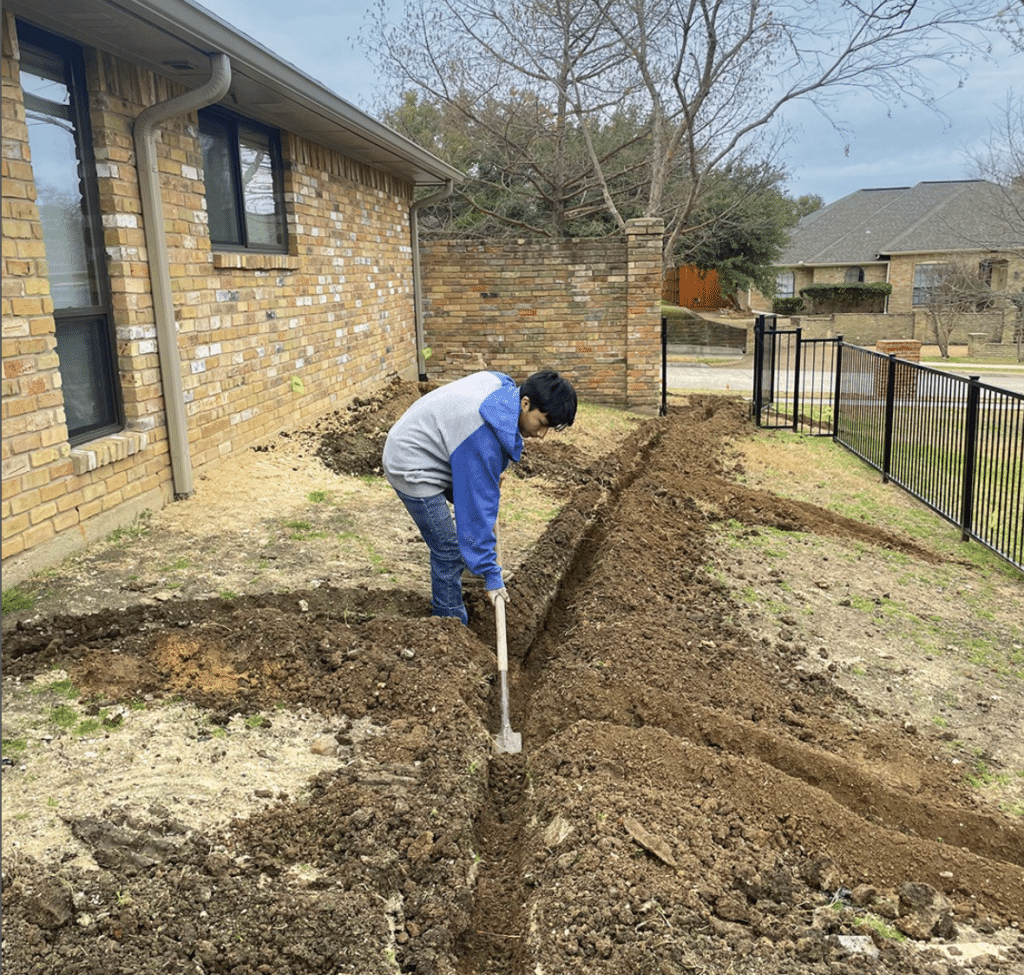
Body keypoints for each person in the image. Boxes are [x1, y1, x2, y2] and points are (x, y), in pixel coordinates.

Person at [382, 369, 578, 625]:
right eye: (541, 423)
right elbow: (475, 513)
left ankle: (471, 568)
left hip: (442, 446)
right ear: (525, 403)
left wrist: (485, 478)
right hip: (411, 462)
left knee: (477, 503)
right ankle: (449, 622)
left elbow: (478, 494)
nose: (542, 435)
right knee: (446, 550)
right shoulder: (482, 438)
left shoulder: (504, 386)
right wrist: (492, 576)